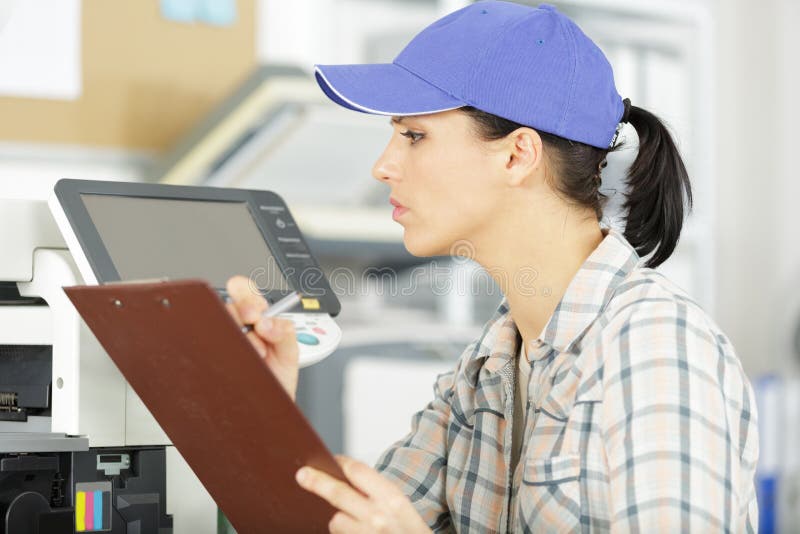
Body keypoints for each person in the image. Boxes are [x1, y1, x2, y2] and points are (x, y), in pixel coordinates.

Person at [225, 2, 759, 531]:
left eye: (414, 135)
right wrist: (260, 406)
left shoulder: (655, 350)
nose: (383, 166)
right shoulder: (485, 372)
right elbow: (339, 525)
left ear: (516, 156)